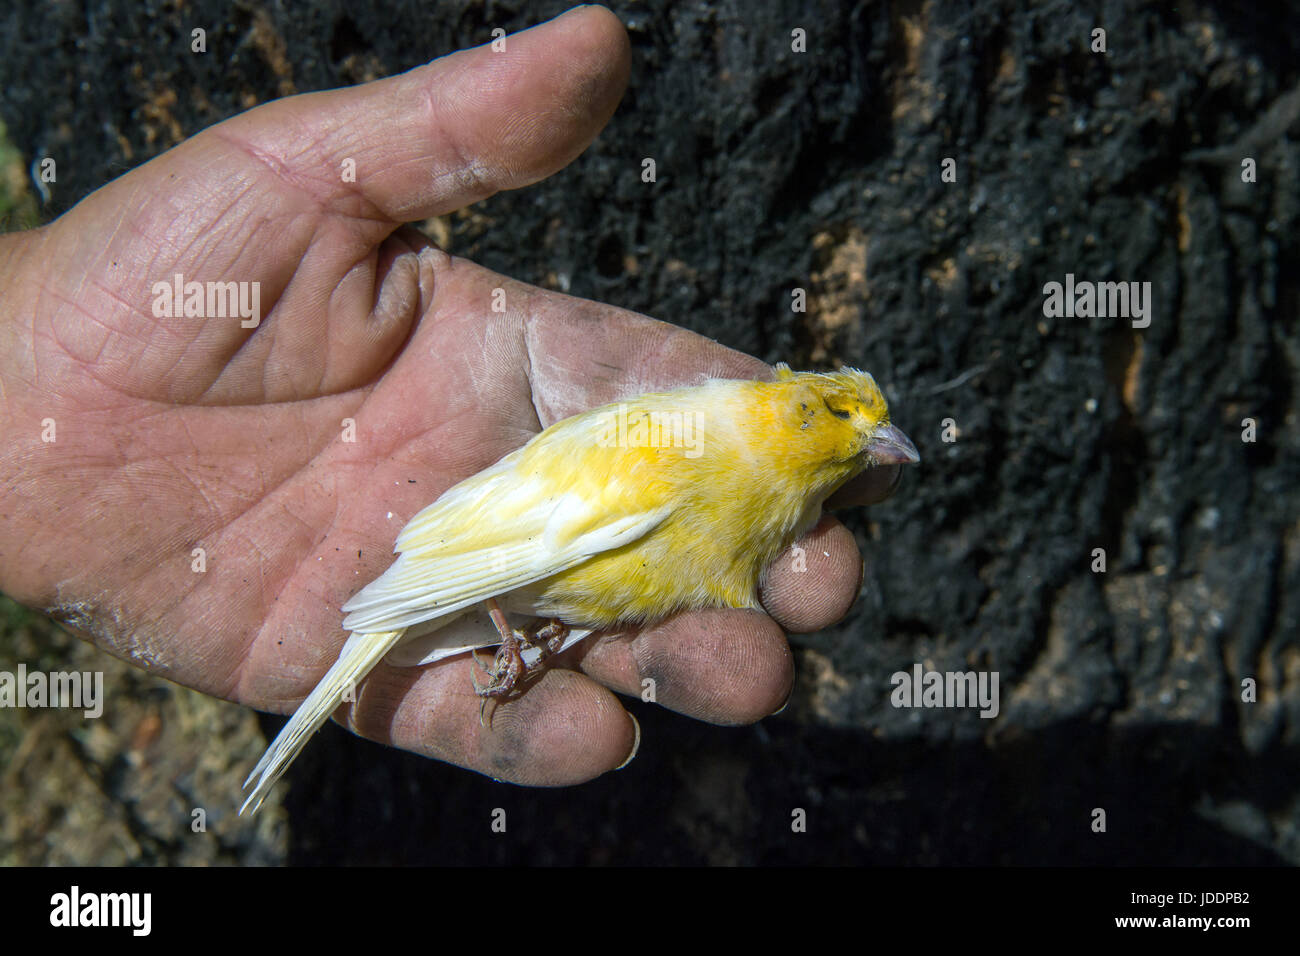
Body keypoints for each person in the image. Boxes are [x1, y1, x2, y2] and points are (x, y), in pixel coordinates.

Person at [0, 6, 900, 786]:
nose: (871, 436)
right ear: (782, 405)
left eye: (873, 428)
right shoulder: (680, 454)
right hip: (478, 560)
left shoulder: (757, 485)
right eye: (841, 417)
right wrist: (471, 612)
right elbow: (517, 540)